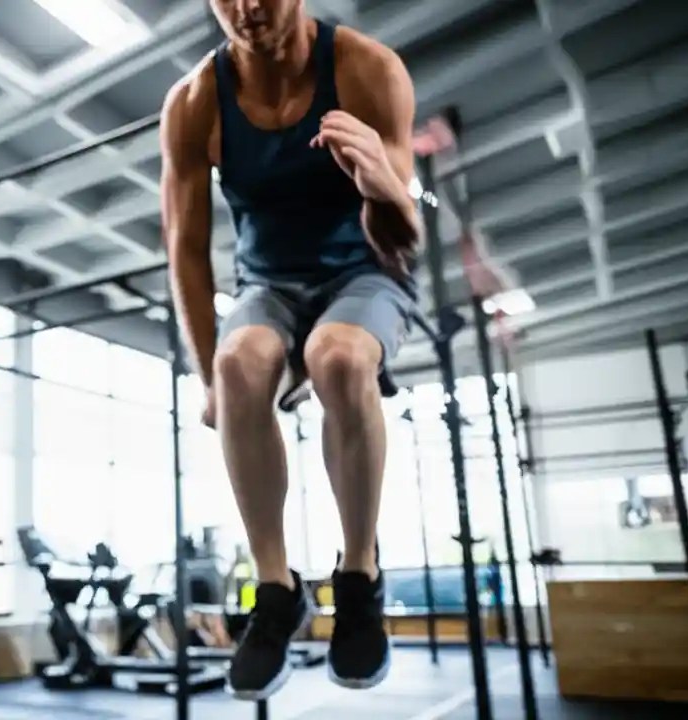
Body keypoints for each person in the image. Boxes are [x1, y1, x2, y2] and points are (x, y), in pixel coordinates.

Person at [160, 0, 422, 699]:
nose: (246, 8)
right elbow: (185, 250)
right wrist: (209, 375)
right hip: (268, 282)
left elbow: (406, 232)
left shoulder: (367, 69)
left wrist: (377, 182)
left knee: (339, 357)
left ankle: (359, 575)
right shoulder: (193, 102)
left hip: (365, 270)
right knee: (237, 366)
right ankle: (277, 590)